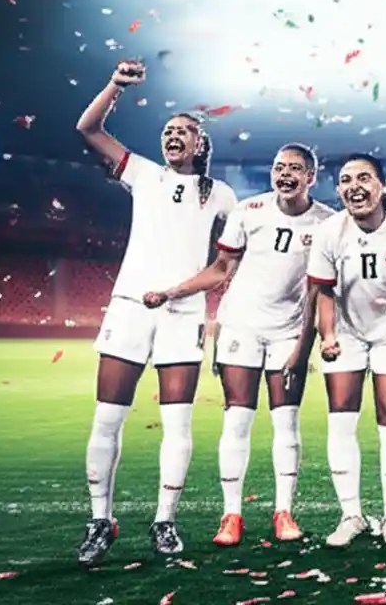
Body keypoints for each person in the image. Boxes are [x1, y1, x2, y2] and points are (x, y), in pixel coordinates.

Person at [75, 59, 237, 564]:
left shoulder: (223, 196)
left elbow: (224, 266)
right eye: (168, 130)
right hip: (128, 306)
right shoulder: (141, 173)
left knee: (178, 423)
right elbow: (88, 129)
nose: (174, 136)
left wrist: (174, 293)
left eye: (185, 132)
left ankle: (164, 521)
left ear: (201, 145)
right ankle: (100, 520)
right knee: (107, 418)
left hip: (182, 315)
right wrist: (115, 86)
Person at [142, 144, 335, 546]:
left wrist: (307, 341)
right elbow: (222, 268)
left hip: (288, 332)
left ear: (310, 177)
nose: (284, 174)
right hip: (240, 327)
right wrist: (172, 291)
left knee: (287, 422)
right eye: (279, 166)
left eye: (295, 169)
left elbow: (321, 289)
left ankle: (284, 512)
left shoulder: (327, 223)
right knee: (237, 420)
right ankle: (232, 515)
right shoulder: (248, 212)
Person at [303, 154, 386, 548]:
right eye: (345, 180)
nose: (354, 186)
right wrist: (327, 336)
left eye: (364, 178)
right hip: (347, 332)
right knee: (341, 420)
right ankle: (352, 515)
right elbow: (323, 290)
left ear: (381, 186)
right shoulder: (329, 232)